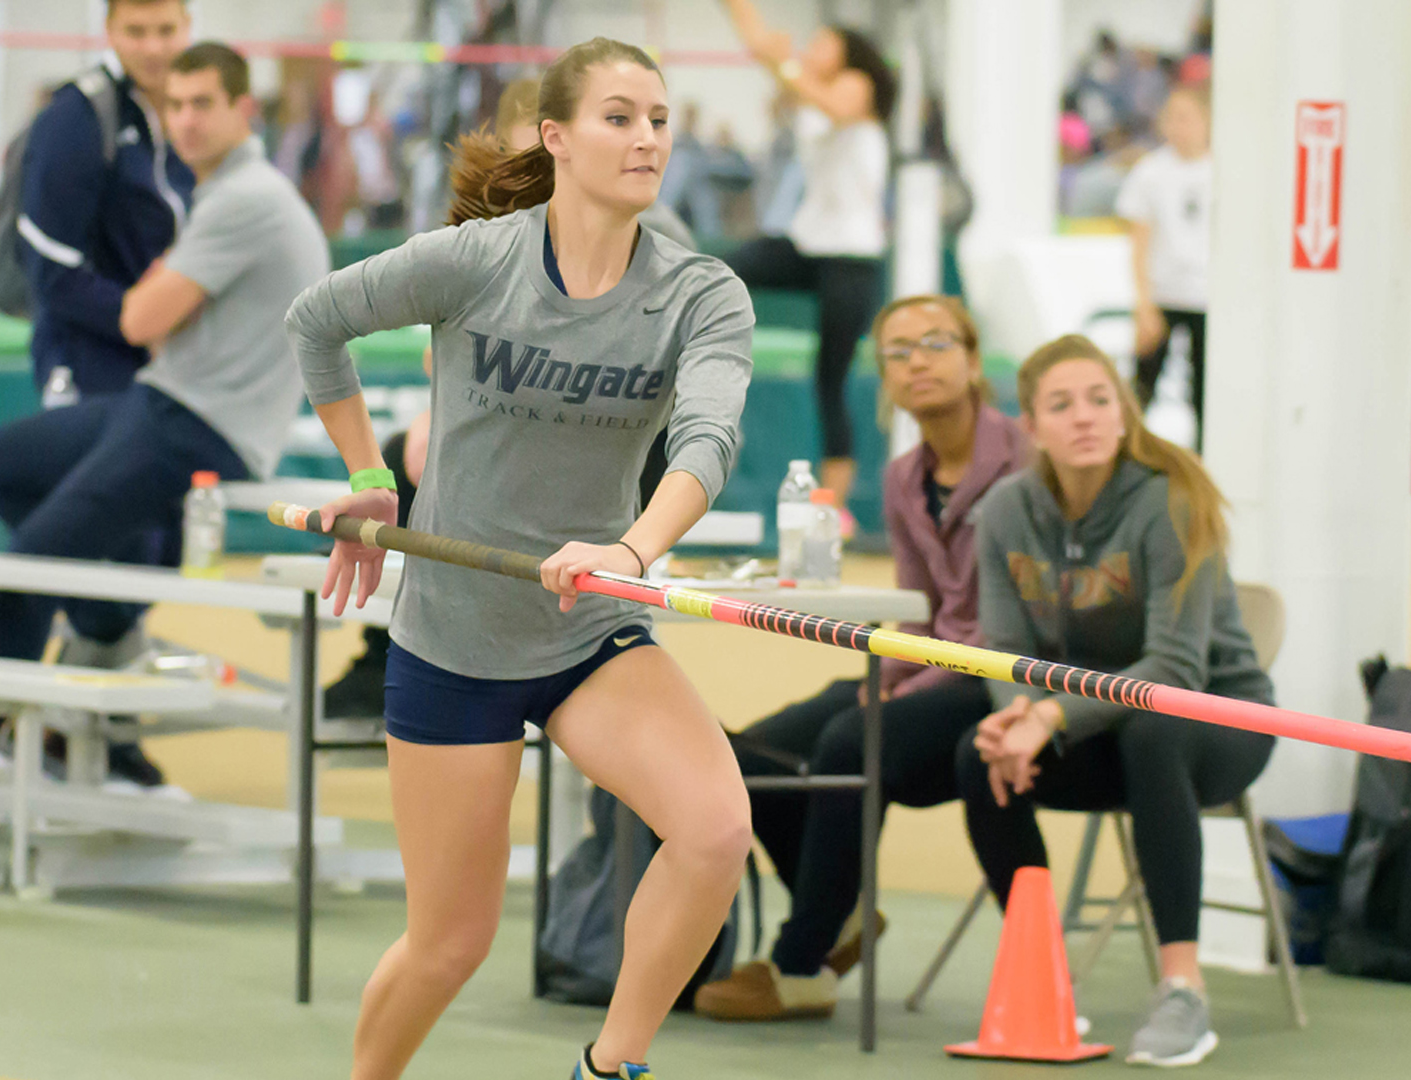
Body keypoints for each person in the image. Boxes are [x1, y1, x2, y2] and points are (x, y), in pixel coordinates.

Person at [286, 38, 754, 1080]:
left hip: (586, 628)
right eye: (620, 117)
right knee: (451, 943)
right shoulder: (478, 260)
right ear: (557, 138)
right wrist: (370, 475)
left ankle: (610, 1067)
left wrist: (634, 548)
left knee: (716, 831)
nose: (647, 140)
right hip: (454, 639)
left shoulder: (701, 293)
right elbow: (316, 324)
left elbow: (708, 440)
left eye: (661, 120)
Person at [0, 43, 330, 781]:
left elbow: (141, 318)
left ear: (244, 110)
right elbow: (140, 311)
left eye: (203, 104)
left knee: (35, 563)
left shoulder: (247, 200)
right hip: (161, 399)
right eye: (174, 106)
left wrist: (141, 290)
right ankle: (106, 628)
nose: (185, 122)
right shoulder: (226, 193)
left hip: (197, 423)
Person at [320, 74, 696, 721]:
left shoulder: (645, 225)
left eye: (545, 165)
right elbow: (450, 350)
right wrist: (437, 418)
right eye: (521, 165)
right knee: (404, 456)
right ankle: (390, 649)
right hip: (521, 422)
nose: (535, 185)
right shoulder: (494, 220)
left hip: (618, 435)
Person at [693, 294, 1027, 1022]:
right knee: (749, 752)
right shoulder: (906, 477)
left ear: (972, 360)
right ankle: (840, 916)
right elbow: (915, 610)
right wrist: (895, 678)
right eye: (898, 352)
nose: (917, 362)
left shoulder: (1025, 464)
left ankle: (799, 963)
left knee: (852, 735)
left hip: (1006, 679)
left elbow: (1005, 631)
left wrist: (902, 691)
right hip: (930, 666)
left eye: (935, 343)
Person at [958, 334, 1276, 1069]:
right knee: (976, 755)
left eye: (1101, 400)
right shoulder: (1007, 510)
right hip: (1093, 715)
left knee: (1154, 735)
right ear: (1030, 426)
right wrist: (1014, 716)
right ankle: (1047, 980)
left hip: (1216, 718)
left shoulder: (1169, 500)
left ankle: (1182, 989)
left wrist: (1048, 716)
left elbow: (1175, 666)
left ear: (1125, 412)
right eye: (1062, 405)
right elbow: (1002, 650)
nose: (1086, 418)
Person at [719, 0, 895, 527]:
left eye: (824, 44)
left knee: (830, 380)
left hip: (851, 256)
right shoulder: (810, 99)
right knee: (723, 269)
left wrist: (775, 53)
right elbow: (787, 83)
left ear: (846, 56)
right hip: (806, 244)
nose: (812, 49)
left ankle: (833, 507)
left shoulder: (855, 89)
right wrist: (750, 27)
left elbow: (827, 100)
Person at [18, 0, 195, 397]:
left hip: (175, 366)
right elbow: (52, 272)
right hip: (88, 365)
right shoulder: (75, 119)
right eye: (135, 31)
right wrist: (143, 316)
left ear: (187, 27)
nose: (152, 48)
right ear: (110, 30)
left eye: (165, 31)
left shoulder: (189, 117)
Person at [1119, 83, 1213, 449]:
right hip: (1163, 295)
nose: (1178, 127)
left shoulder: (1223, 170)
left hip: (1209, 299)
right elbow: (1138, 243)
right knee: (1141, 391)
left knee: (1206, 396)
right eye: (1172, 117)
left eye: (1186, 118)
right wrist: (1143, 304)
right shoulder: (1151, 172)